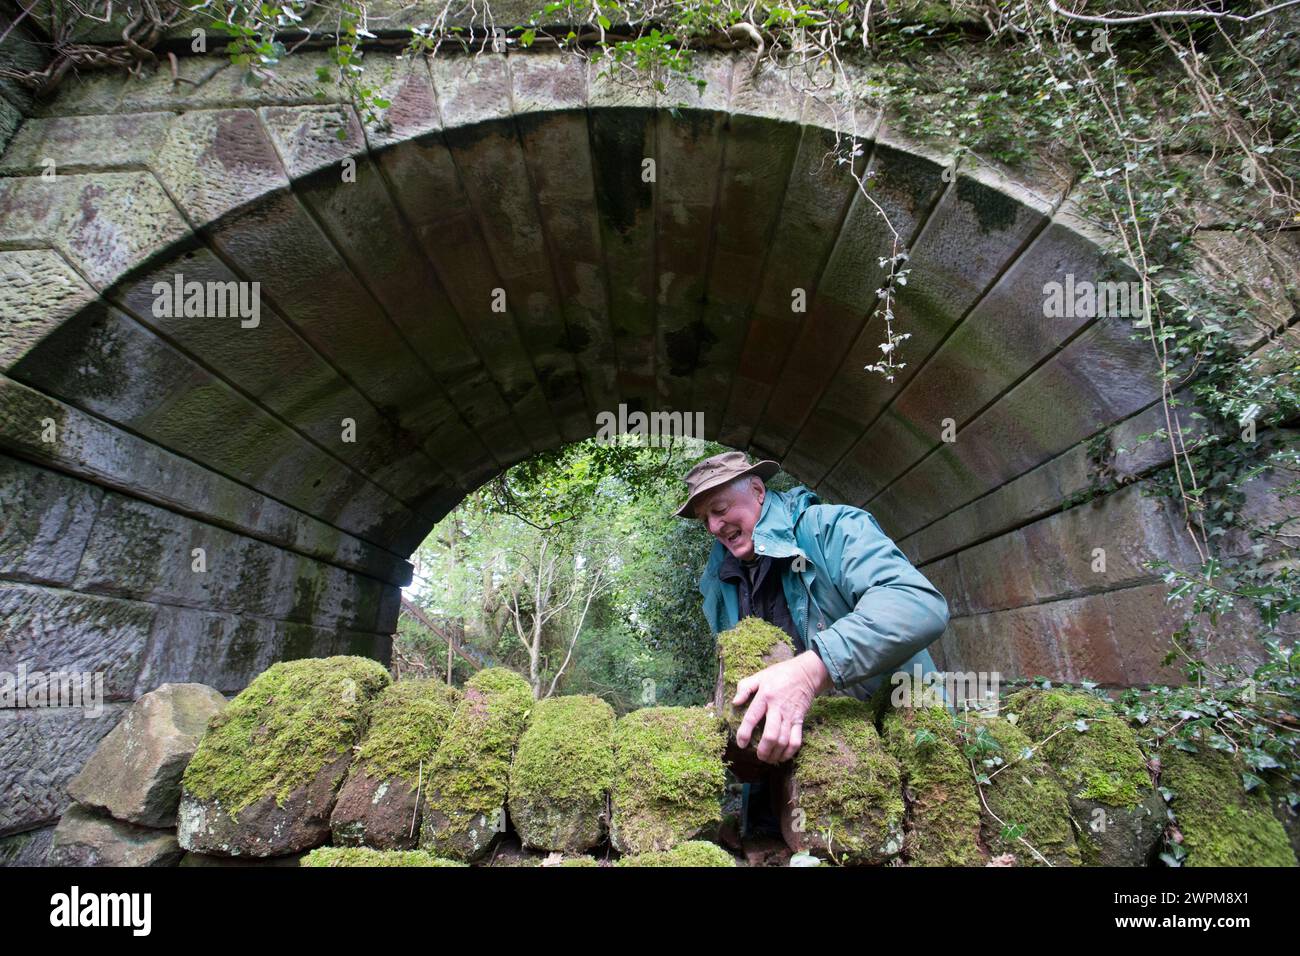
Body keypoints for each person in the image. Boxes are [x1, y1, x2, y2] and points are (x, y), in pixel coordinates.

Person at [677, 450, 949, 766]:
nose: (712, 526)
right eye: (705, 519)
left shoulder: (832, 528)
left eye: (719, 509)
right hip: (794, 768)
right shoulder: (721, 576)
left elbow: (916, 602)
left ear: (758, 491)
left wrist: (811, 671)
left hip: (905, 752)